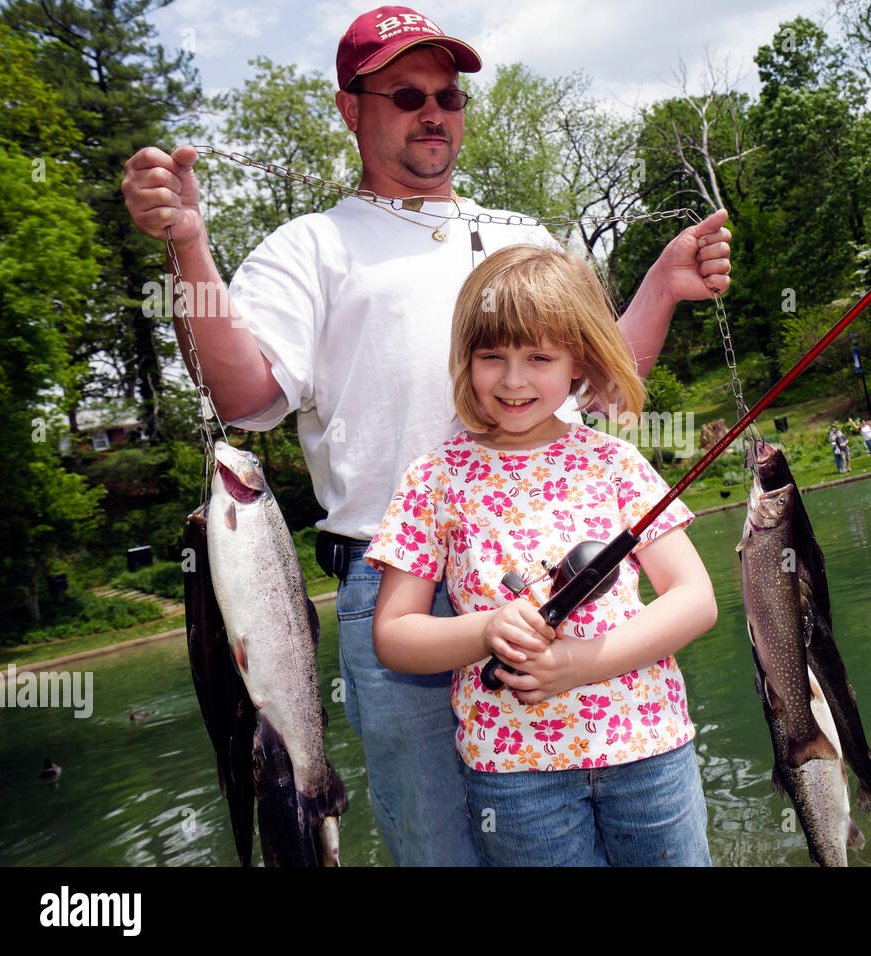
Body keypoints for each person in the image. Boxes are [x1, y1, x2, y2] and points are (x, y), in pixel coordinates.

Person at [120, 7, 732, 866]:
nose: (434, 111)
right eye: (407, 94)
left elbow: (596, 385)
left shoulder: (524, 235)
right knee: (441, 848)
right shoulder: (311, 246)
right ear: (350, 109)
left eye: (449, 94)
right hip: (398, 586)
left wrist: (662, 287)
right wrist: (190, 246)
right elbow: (245, 395)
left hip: (563, 577)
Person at [366, 244, 717, 865]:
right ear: (465, 361)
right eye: (490, 357)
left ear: (577, 360)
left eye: (539, 357)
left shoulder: (614, 462)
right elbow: (395, 637)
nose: (513, 379)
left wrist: (580, 663)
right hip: (513, 775)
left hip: (648, 750)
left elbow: (695, 601)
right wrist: (487, 628)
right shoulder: (434, 478)